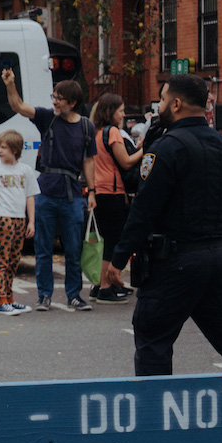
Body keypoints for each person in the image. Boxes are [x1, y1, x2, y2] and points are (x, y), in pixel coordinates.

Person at [108, 72, 222, 377]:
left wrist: (119, 257)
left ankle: (155, 413)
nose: (159, 107)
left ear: (177, 104)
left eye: (163, 100)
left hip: (175, 261)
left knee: (153, 340)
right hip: (220, 257)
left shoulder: (167, 148)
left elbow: (144, 209)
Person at [1, 68, 95, 311]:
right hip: (45, 190)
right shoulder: (47, 117)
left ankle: (74, 295)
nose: (54, 101)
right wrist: (10, 84)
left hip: (73, 193)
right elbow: (19, 106)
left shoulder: (86, 127)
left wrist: (92, 191)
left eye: (59, 98)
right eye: (53, 96)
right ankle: (44, 296)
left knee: (73, 248)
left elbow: (88, 161)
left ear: (72, 102)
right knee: (43, 249)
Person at [88, 93, 140, 301]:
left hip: (98, 189)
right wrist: (145, 149)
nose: (124, 114)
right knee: (114, 240)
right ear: (112, 112)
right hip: (113, 190)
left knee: (106, 240)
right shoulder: (113, 132)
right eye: (120, 110)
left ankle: (99, 284)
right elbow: (126, 162)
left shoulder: (95, 132)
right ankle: (106, 286)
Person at [0, 127, 36, 314]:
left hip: (19, 218)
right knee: (1, 260)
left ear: (15, 149)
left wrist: (31, 221)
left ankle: (9, 298)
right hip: (1, 217)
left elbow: (30, 196)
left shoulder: (25, 170)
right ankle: (0, 300)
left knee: (14, 260)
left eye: (3, 147)